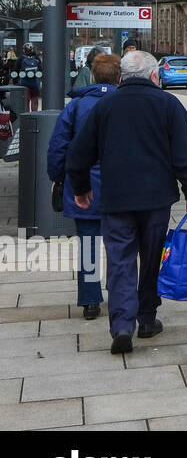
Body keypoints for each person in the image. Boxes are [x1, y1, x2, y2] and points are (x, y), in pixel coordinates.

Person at [66, 51, 187, 355]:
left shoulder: (104, 107)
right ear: (155, 76)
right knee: (151, 260)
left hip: (116, 199)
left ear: (120, 78)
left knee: (120, 262)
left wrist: (81, 187)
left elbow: (78, 153)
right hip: (156, 200)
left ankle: (122, 326)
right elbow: (184, 154)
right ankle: (147, 319)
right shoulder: (169, 105)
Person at [47, 53, 121, 319]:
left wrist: (57, 177)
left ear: (92, 75)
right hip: (121, 188)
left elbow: (58, 147)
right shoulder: (125, 104)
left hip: (84, 187)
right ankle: (119, 293)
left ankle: (90, 301)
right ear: (119, 76)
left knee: (88, 244)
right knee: (120, 244)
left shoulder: (76, 107)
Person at [18, 43, 41, 111]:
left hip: (24, 84)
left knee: (26, 101)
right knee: (35, 100)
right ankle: (34, 114)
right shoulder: (36, 58)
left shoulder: (21, 59)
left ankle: (26, 117)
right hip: (35, 83)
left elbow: (15, 70)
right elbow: (40, 70)